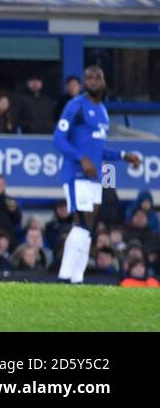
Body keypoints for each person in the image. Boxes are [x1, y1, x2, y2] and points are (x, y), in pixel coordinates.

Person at [53, 65, 142, 284]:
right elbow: (58, 138)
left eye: (97, 78)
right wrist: (81, 159)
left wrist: (123, 155)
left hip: (93, 178)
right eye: (88, 78)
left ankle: (77, 278)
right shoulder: (76, 106)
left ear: (103, 82)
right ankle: (65, 277)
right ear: (84, 82)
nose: (92, 81)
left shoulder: (102, 110)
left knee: (87, 227)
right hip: (76, 174)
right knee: (82, 222)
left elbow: (97, 149)